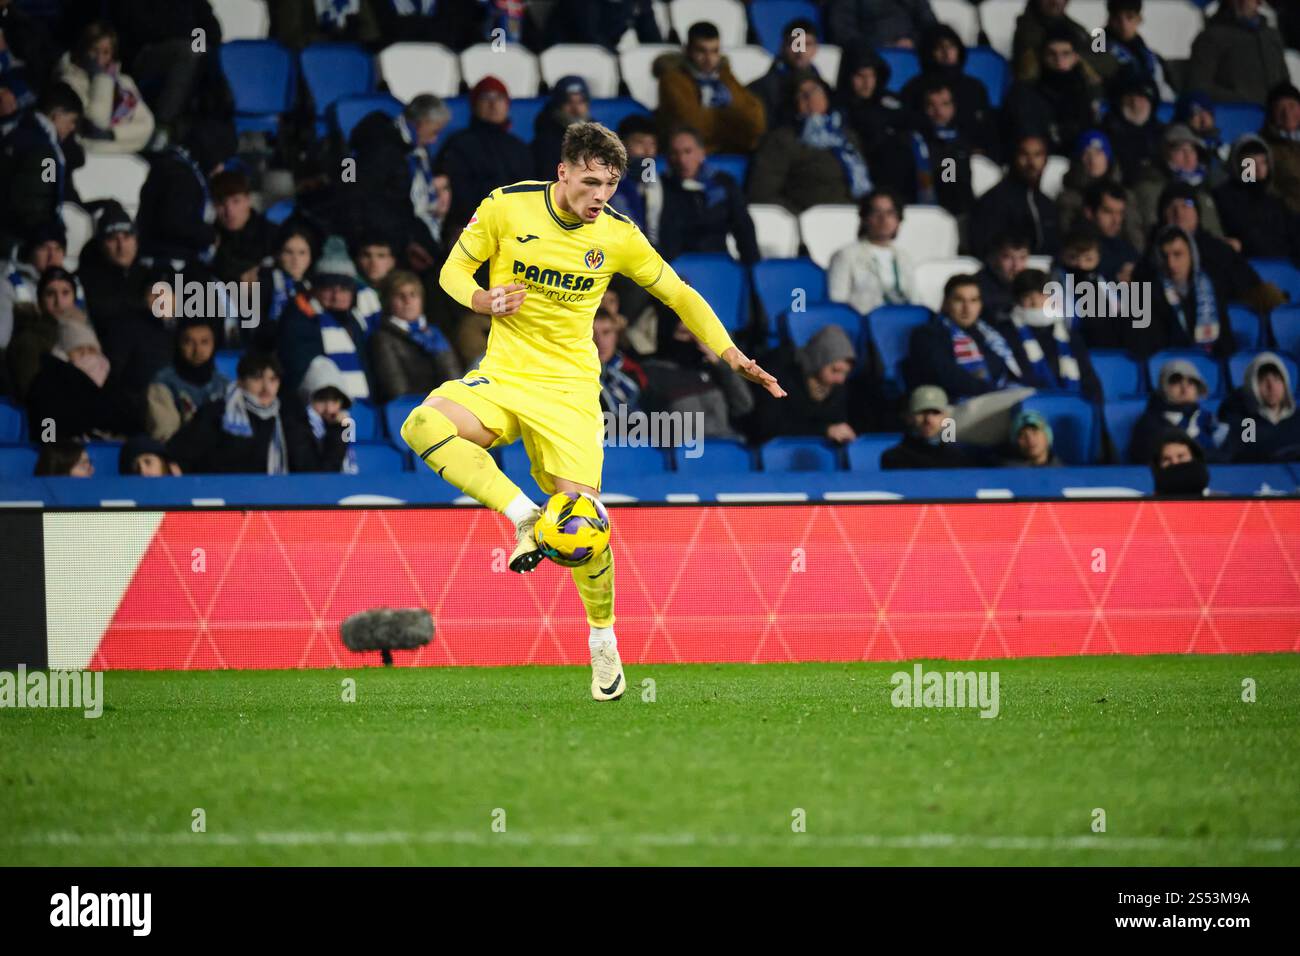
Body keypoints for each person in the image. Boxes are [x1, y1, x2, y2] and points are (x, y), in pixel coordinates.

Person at [398, 121, 784, 701]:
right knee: (420, 423)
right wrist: (481, 298)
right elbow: (451, 271)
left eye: (609, 185)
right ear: (563, 173)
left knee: (584, 529)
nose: (599, 196)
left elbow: (678, 293)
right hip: (502, 376)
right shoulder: (506, 209)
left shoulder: (619, 236)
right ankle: (525, 517)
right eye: (589, 182)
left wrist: (732, 354)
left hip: (572, 394)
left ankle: (602, 638)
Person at [166, 351, 346, 474]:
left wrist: (338, 432)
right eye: (257, 378)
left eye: (273, 379)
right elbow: (181, 457)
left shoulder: (289, 418)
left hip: (278, 509)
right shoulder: (217, 413)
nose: (266, 387)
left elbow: (313, 473)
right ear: (240, 381)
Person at [349, 93, 455, 273]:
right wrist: (408, 241)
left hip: (411, 226)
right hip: (390, 235)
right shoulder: (382, 149)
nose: (435, 139)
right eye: (435, 131)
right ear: (422, 123)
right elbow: (367, 200)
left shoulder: (414, 149)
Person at [749, 72, 873, 214]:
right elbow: (762, 193)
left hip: (853, 217)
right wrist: (801, 220)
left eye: (815, 91)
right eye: (801, 94)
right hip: (808, 222)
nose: (809, 98)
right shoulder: (782, 140)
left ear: (826, 97)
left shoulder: (847, 138)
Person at [276, 236, 373, 399]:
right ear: (316, 289)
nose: (336, 296)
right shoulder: (299, 316)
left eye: (344, 288)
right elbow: (301, 370)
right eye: (329, 288)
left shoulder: (355, 321)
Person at [638, 310, 755, 440]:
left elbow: (744, 405)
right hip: (687, 453)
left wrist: (721, 366)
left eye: (696, 333)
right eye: (683, 332)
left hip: (725, 447)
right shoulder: (653, 372)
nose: (693, 340)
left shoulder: (711, 368)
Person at [655, 21, 766, 155]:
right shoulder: (671, 79)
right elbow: (692, 127)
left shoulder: (724, 74)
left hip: (729, 150)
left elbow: (756, 121)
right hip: (686, 155)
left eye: (715, 51)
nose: (709, 58)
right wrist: (730, 117)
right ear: (688, 50)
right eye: (701, 51)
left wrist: (724, 113)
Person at [25, 315, 141, 441]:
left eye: (91, 350)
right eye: (79, 350)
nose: (86, 355)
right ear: (63, 353)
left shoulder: (112, 383)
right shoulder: (48, 383)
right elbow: (48, 429)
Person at [0, 81, 83, 258]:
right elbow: (43, 196)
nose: (72, 128)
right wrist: (49, 235)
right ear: (56, 115)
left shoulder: (16, 134)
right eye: (71, 120)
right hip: (22, 244)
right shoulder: (46, 154)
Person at [1128, 225, 1235, 358]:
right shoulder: (1147, 294)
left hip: (1206, 369)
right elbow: (1144, 349)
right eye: (1165, 256)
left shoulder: (1212, 289)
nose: (1171, 264)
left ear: (1192, 255)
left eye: (1178, 254)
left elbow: (1226, 344)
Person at [657, 126, 758, 264]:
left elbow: (743, 228)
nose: (681, 159)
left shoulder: (724, 184)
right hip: (675, 269)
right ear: (668, 158)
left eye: (688, 151)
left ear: (701, 153)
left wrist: (751, 268)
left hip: (718, 266)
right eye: (675, 153)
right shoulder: (659, 188)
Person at [55, 21, 154, 154]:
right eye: (94, 51)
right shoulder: (68, 83)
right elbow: (96, 123)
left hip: (124, 158)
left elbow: (147, 125)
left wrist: (112, 134)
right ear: (83, 50)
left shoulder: (124, 82)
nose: (99, 58)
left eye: (106, 52)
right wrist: (101, 79)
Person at [748, 324, 856, 445]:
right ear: (818, 361)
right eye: (835, 370)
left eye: (846, 373)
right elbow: (768, 426)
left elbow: (837, 423)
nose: (841, 379)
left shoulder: (836, 386)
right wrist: (825, 430)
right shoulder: (777, 372)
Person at [1002, 27, 1103, 156]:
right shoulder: (1025, 93)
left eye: (1065, 53)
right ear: (1042, 56)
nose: (1059, 60)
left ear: (1076, 56)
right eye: (1052, 54)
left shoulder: (1090, 91)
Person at [367, 270, 461, 404]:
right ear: (388, 301)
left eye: (413, 294)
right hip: (409, 412)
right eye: (400, 295)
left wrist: (440, 352)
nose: (407, 301)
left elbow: (455, 381)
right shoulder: (382, 338)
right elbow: (396, 391)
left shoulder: (434, 333)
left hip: (444, 407)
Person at [1009, 267, 1103, 401]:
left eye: (1041, 295)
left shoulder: (1068, 335)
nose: (1036, 303)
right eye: (1028, 297)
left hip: (1073, 403)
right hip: (1036, 404)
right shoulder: (1010, 335)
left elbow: (1089, 377)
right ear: (1017, 300)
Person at [968, 135, 1060, 259]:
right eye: (1024, 155)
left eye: (1037, 155)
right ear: (1014, 158)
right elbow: (984, 248)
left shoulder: (1047, 205)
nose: (1031, 162)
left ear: (1045, 160)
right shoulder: (993, 201)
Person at [1213, 135, 1300, 263]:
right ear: (1237, 165)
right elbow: (1247, 236)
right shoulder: (1225, 196)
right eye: (1251, 163)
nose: (1259, 169)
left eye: (1263, 162)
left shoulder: (1274, 199)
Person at [828, 190, 916, 315]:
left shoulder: (904, 257)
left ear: (898, 220)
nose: (883, 219)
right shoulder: (845, 255)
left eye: (890, 213)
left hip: (903, 323)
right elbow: (837, 303)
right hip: (863, 325)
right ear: (864, 219)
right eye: (876, 212)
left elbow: (914, 299)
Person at [897, 76, 976, 216]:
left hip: (952, 215)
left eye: (945, 104)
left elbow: (952, 184)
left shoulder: (960, 141)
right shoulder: (909, 141)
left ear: (954, 107)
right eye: (931, 105)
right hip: (915, 213)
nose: (939, 111)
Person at [1131, 124, 1225, 241]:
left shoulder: (1204, 192)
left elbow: (1215, 232)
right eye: (1180, 150)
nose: (1188, 157)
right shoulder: (1150, 189)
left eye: (1192, 150)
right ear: (1165, 154)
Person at [1187, 0, 1288, 106]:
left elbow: (1285, 83)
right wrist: (1242, 100)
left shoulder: (1272, 36)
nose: (1259, 2)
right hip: (1237, 116)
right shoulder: (1211, 37)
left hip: (1278, 117)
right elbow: (1198, 88)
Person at [1128, 358, 1229, 464]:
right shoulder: (1149, 424)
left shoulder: (1208, 418)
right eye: (1176, 381)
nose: (1184, 387)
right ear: (1163, 387)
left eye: (1191, 382)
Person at [145, 315, 229, 441]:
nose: (198, 350)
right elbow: (166, 437)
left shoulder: (224, 386)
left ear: (214, 344)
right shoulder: (162, 385)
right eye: (189, 342)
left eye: (205, 342)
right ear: (178, 344)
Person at [1219, 352, 1300, 463]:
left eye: (1277, 379)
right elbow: (1244, 457)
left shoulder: (1297, 418)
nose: (1271, 387)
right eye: (1263, 380)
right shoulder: (1245, 421)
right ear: (1252, 386)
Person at [76, 203, 145, 333]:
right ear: (101, 245)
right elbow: (104, 311)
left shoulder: (150, 270)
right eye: (112, 238)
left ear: (136, 240)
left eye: (126, 236)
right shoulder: (91, 276)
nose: (121, 246)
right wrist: (145, 303)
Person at [1013, 0, 1116, 84]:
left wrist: (1078, 59)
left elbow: (1107, 63)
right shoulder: (1028, 32)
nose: (1055, 2)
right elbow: (1027, 74)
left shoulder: (1075, 29)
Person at [748, 17, 824, 129]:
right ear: (782, 46)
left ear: (816, 48)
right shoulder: (761, 89)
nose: (800, 51)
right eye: (795, 44)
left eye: (807, 44)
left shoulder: (825, 88)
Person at [880, 385, 976, 469]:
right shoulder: (894, 459)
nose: (928, 420)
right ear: (908, 417)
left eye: (935, 413)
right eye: (921, 412)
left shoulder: (960, 457)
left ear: (946, 416)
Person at [1102, 0, 1174, 103]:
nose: (1124, 24)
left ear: (1139, 19)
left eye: (1129, 17)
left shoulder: (1151, 57)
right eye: (1117, 19)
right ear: (1109, 20)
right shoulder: (1098, 49)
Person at [1101, 70, 1164, 187]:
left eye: (1141, 97)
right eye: (1129, 97)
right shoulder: (1105, 133)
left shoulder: (1164, 134)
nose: (1135, 103)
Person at [210, 168, 273, 285]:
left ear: (248, 200)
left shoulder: (271, 235)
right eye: (221, 203)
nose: (229, 211)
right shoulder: (206, 237)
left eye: (236, 201)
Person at [611, 115, 662, 241]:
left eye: (652, 143)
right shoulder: (604, 185)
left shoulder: (665, 186)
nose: (647, 151)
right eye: (639, 143)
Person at [533, 75, 591, 180]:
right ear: (557, 106)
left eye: (580, 102)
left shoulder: (598, 135)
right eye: (569, 102)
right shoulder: (544, 143)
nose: (576, 109)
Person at [1081, 181, 1141, 281]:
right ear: (1089, 212)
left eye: (1120, 213)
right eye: (1108, 212)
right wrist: (1115, 280)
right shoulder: (1074, 248)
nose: (1116, 220)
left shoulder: (1127, 249)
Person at [593, 308, 646, 415]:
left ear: (616, 335)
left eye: (606, 332)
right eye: (592, 333)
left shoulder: (634, 370)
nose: (600, 341)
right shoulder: (573, 373)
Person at [1261, 83, 1300, 217]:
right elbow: (1248, 183)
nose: (1287, 113)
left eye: (1292, 106)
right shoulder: (1258, 145)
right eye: (1280, 107)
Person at [829, 0, 936, 49]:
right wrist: (879, 45)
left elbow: (931, 27)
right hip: (870, 56)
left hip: (913, 51)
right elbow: (843, 30)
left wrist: (913, 41)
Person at [976, 234, 1032, 326]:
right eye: (1008, 257)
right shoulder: (976, 287)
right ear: (992, 258)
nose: (1016, 266)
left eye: (1022, 258)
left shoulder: (1031, 283)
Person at [1149, 429, 1210, 498]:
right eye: (1167, 459)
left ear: (1194, 457)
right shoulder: (1146, 506)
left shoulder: (1219, 503)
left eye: (1181, 456)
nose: (1175, 463)